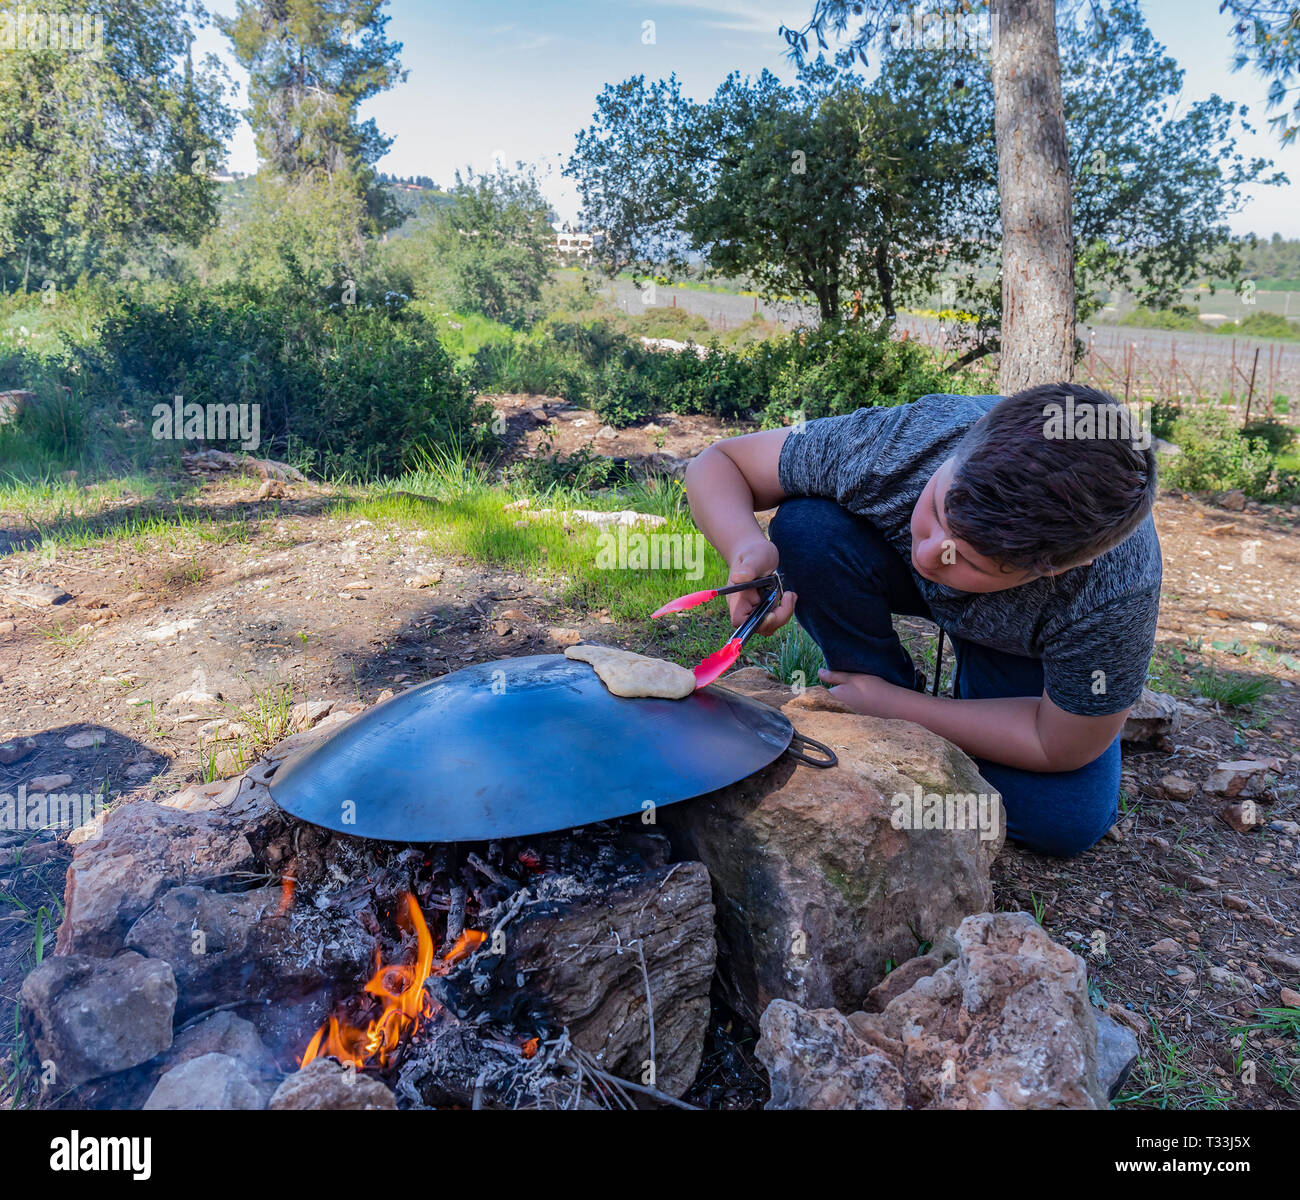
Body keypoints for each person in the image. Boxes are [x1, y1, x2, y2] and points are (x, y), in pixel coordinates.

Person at [683, 383, 1161, 857]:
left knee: (1061, 820)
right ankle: (869, 689)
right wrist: (746, 547)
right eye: (935, 508)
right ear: (961, 447)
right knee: (806, 529)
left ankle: (904, 701)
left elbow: (1061, 744)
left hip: (1022, 642)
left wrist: (899, 709)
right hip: (892, 563)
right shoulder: (912, 439)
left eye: (971, 561)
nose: (930, 556)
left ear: (1060, 567)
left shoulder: (1116, 592)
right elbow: (719, 463)